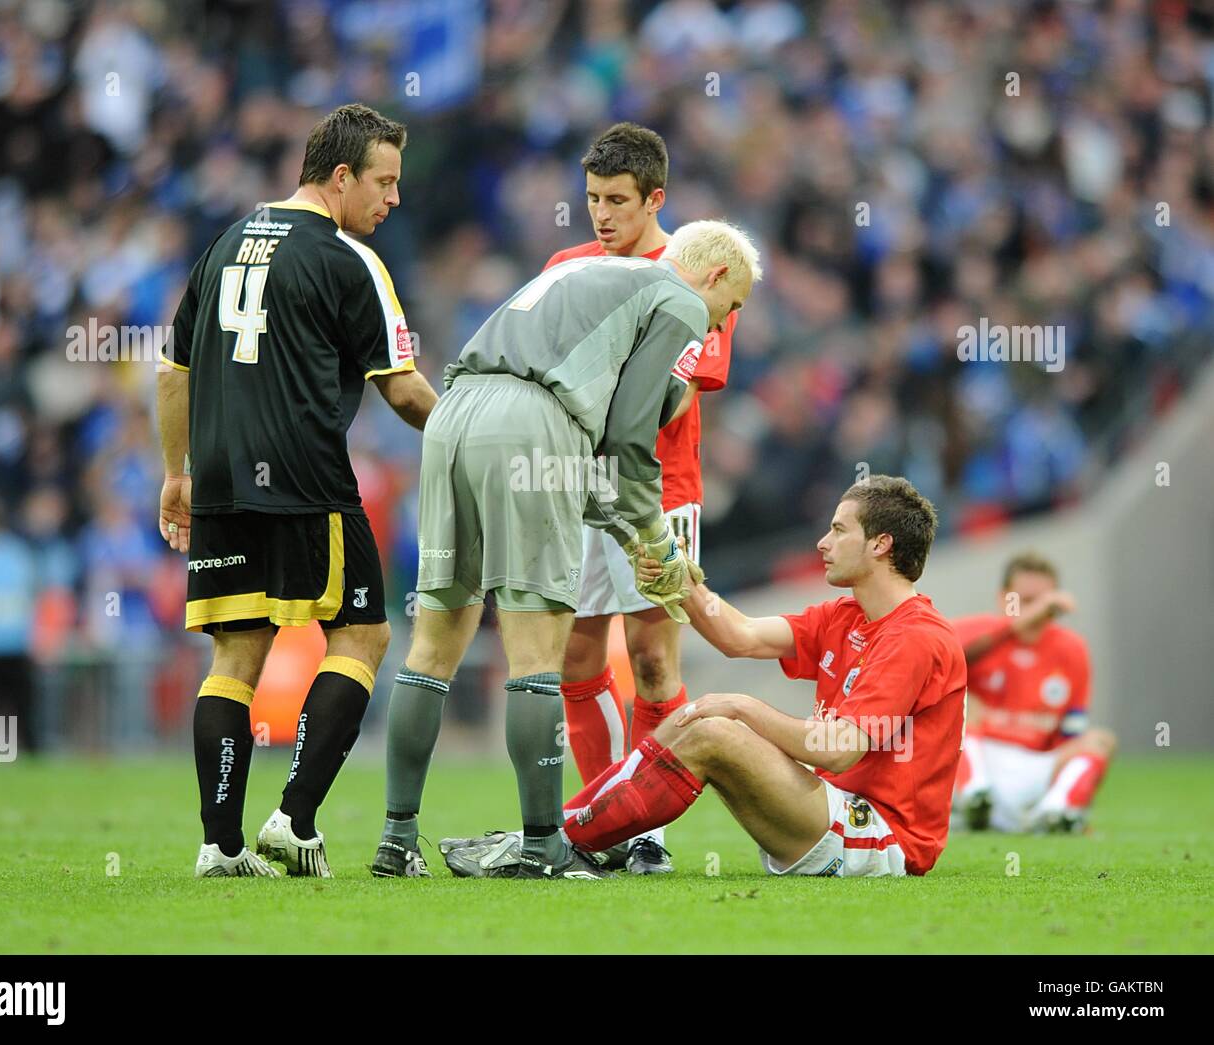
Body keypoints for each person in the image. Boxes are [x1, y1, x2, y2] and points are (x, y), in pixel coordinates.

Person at [372, 220, 760, 880]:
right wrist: (658, 547)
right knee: (536, 653)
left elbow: (603, 446)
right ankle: (544, 843)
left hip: (452, 416)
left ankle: (396, 839)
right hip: (530, 422)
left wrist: (626, 528)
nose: (728, 318)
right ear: (717, 275)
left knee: (434, 642)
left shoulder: (574, 271)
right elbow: (631, 442)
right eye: (736, 303)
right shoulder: (682, 298)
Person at [157, 103, 438, 878]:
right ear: (340, 176)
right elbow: (405, 391)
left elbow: (171, 372)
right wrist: (472, 437)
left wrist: (176, 472)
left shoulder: (222, 243)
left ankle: (219, 845)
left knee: (235, 654)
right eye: (384, 181)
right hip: (307, 479)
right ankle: (295, 818)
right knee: (364, 635)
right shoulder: (348, 259)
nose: (394, 198)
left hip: (216, 478)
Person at [443, 476, 967, 879]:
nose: (822, 542)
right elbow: (737, 634)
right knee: (694, 718)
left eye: (838, 529)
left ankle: (547, 843)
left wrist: (741, 709)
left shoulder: (915, 636)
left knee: (715, 729)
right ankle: (549, 836)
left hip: (881, 841)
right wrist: (678, 572)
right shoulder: (845, 616)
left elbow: (838, 750)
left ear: (880, 544)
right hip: (825, 813)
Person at [544, 122, 739, 874]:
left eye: (618, 200)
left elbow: (678, 393)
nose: (602, 214)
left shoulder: (701, 271)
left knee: (653, 661)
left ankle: (647, 824)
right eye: (592, 199)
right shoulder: (566, 265)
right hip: (571, 487)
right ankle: (602, 821)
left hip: (658, 493)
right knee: (577, 657)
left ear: (656, 197)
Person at [951, 552, 1115, 832]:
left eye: (1045, 603)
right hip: (979, 758)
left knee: (1100, 740)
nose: (1039, 612)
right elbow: (939, 657)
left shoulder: (1072, 649)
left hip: (1034, 765)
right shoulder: (981, 633)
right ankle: (974, 797)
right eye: (1027, 601)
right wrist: (1020, 621)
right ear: (1004, 598)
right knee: (960, 703)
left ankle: (1057, 812)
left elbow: (1072, 726)